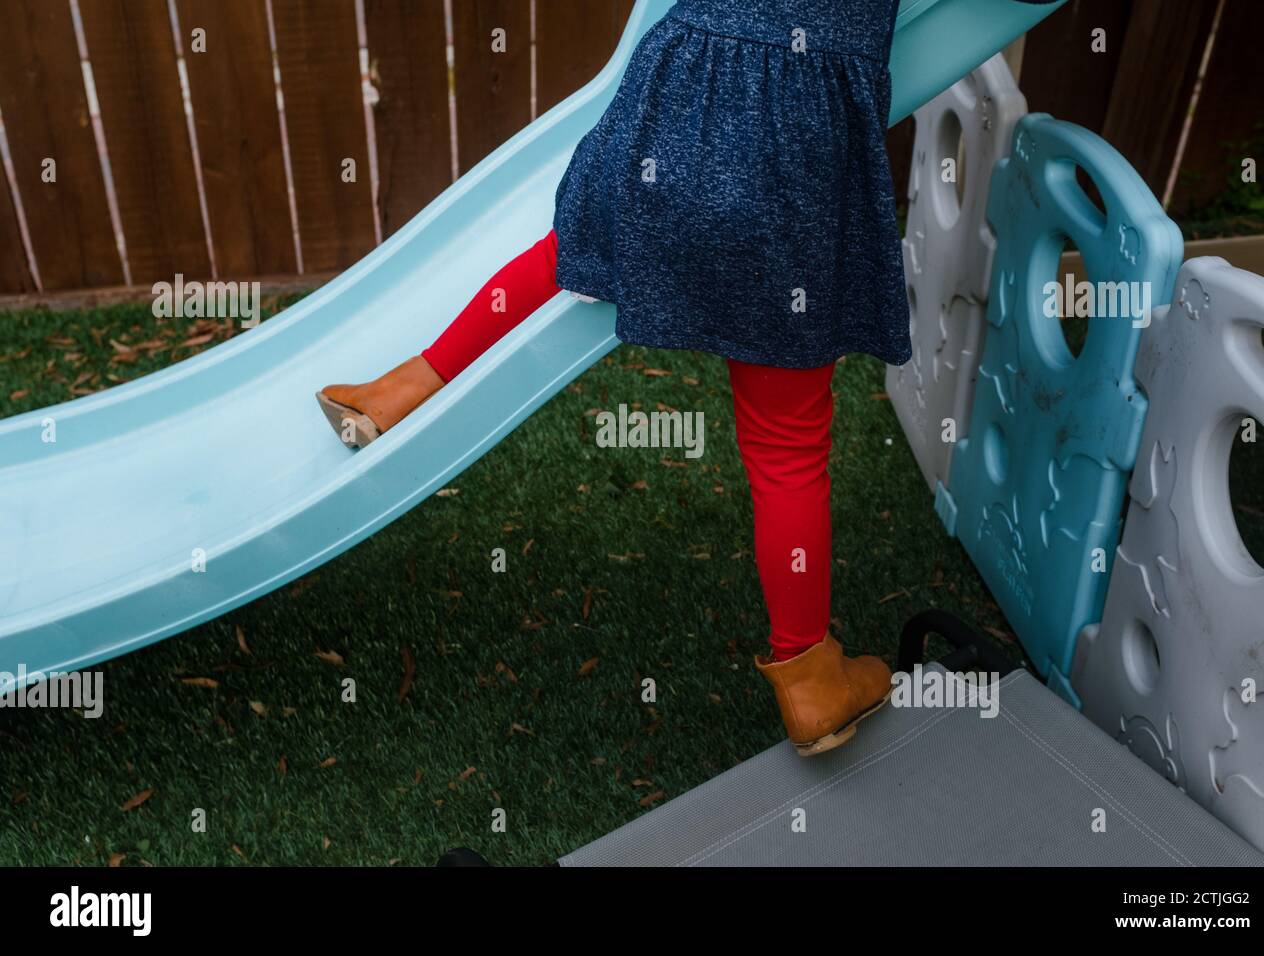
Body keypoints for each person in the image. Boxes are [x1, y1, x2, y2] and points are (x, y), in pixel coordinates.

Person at [319, 0, 925, 757]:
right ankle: (808, 677)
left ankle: (406, 385)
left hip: (677, 96)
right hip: (793, 148)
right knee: (787, 443)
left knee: (562, 254)